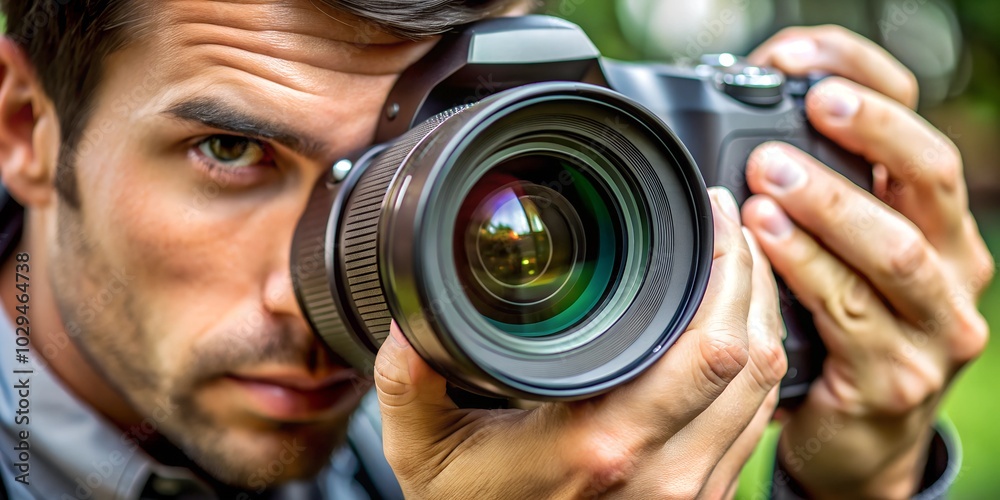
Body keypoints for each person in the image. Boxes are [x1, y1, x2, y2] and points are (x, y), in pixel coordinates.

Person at [0, 1, 990, 498]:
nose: (310, 290)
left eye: (419, 175)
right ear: (26, 129)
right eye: (230, 150)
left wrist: (860, 477)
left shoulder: (542, 425)